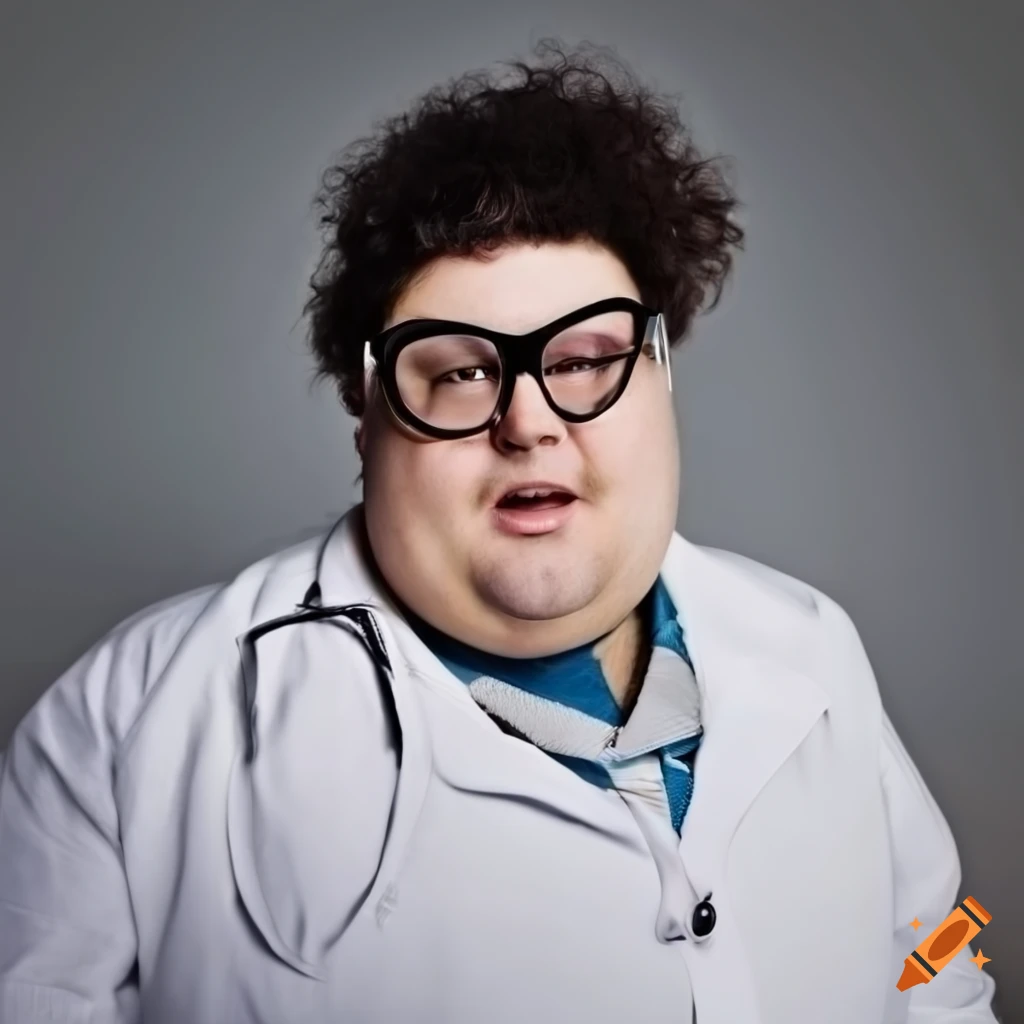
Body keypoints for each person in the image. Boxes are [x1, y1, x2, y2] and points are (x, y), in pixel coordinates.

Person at [0, 39, 999, 1024]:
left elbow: (932, 975)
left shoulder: (811, 644)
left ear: (659, 376)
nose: (528, 420)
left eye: (583, 359)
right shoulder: (135, 719)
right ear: (367, 414)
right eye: (460, 370)